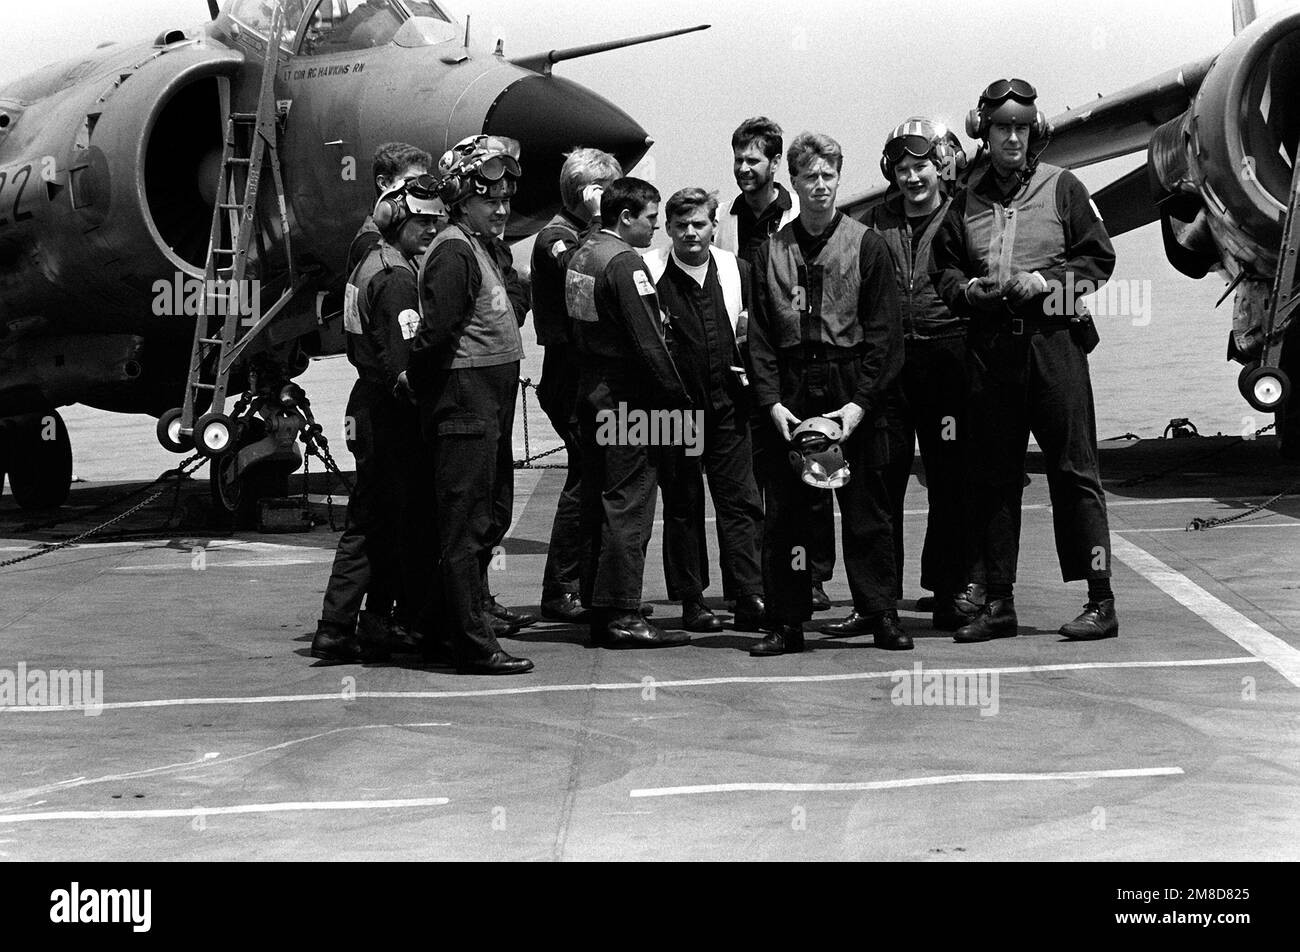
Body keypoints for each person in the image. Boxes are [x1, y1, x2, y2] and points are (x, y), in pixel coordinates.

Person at [931, 78, 1119, 642]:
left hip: (1054, 344)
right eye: (1000, 128)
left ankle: (1100, 600)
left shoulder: (1062, 187)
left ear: (1032, 131)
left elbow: (1098, 259)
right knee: (994, 477)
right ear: (983, 133)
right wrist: (968, 294)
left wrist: (1047, 283)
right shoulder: (963, 199)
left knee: (1074, 471)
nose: (1011, 137)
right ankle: (999, 602)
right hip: (991, 350)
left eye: (1020, 127)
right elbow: (943, 270)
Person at [747, 132, 910, 655]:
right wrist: (772, 404)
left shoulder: (868, 244)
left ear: (839, 179)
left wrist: (859, 407)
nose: (819, 185)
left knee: (867, 510)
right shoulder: (770, 252)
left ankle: (881, 613)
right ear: (792, 182)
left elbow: (886, 337)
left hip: (850, 381)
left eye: (828, 176)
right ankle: (787, 622)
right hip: (794, 387)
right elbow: (761, 340)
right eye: (809, 177)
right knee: (789, 515)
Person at [408, 135, 534, 675]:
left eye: (507, 199)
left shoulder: (477, 245)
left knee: (489, 515)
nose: (502, 210)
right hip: (465, 406)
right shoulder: (456, 250)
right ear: (462, 199)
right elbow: (434, 339)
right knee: (465, 525)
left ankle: (440, 630)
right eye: (491, 200)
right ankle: (472, 643)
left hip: (487, 406)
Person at [311, 177, 446, 662]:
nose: (432, 228)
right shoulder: (396, 278)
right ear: (397, 223)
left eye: (437, 220)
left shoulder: (370, 262)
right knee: (376, 523)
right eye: (422, 221)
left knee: (379, 520)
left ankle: (368, 619)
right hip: (390, 414)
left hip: (367, 403)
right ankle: (338, 625)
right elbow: (404, 368)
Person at [567, 177, 693, 649]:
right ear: (625, 217)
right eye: (650, 220)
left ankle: (600, 604)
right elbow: (649, 342)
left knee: (599, 502)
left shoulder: (584, 253)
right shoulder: (624, 264)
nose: (656, 229)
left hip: (593, 395)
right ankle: (623, 611)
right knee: (631, 504)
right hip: (629, 403)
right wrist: (679, 401)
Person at [720, 116, 834, 614]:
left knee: (816, 471)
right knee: (760, 479)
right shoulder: (728, 217)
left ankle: (816, 576)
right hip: (748, 362)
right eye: (739, 159)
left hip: (799, 359)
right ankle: (766, 577)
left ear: (773, 164)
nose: (745, 168)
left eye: (754, 160)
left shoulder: (794, 217)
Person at [864, 118, 973, 631]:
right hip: (889, 365)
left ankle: (948, 591)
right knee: (882, 483)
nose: (912, 177)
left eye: (922, 167)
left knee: (950, 479)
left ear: (941, 168)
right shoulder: (872, 223)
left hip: (949, 357)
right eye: (903, 168)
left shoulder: (965, 216)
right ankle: (879, 600)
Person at [643, 188, 766, 633]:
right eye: (681, 225)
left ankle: (749, 592)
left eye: (699, 224)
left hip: (728, 405)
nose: (691, 233)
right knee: (682, 505)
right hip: (674, 412)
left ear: (714, 226)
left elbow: (759, 330)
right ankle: (692, 600)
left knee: (742, 502)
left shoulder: (737, 269)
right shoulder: (649, 271)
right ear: (669, 229)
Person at [530, 148, 624, 623]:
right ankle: (562, 587)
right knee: (585, 475)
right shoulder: (557, 240)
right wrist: (598, 220)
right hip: (567, 373)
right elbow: (581, 272)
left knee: (594, 476)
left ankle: (587, 586)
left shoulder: (575, 235)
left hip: (580, 371)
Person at [348, 142, 433, 276]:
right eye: (411, 182)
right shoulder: (370, 243)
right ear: (384, 183)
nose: (421, 191)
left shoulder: (403, 236)